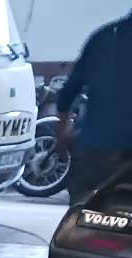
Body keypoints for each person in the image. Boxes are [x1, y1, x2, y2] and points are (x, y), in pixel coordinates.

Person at [58, 7, 132, 199]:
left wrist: (63, 131)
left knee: (84, 216)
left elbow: (68, 92)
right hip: (102, 149)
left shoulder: (104, 37)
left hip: (96, 149)